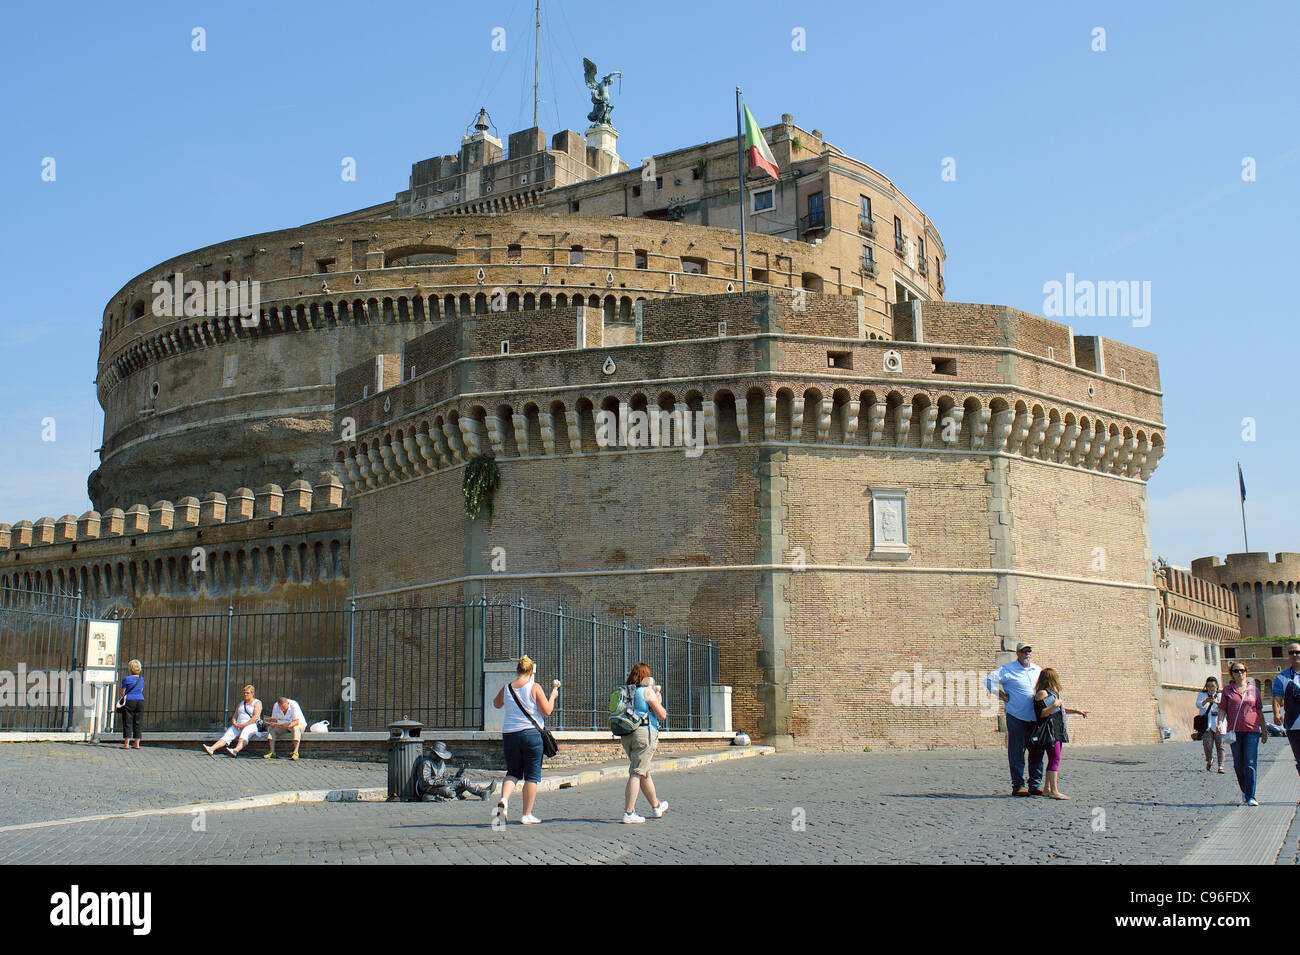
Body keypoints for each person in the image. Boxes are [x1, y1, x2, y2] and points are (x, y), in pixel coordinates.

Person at [491, 656, 558, 825]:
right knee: (531, 775)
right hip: (530, 735)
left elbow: (496, 704)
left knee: (512, 771)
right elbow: (547, 711)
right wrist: (553, 696)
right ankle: (526, 814)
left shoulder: (506, 688)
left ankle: (504, 801)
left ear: (517, 670)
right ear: (530, 672)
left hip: (510, 734)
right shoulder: (534, 687)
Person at [984, 641, 1043, 796]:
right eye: (1024, 651)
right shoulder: (1008, 669)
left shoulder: (1038, 670)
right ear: (1017, 653)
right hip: (1017, 716)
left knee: (1037, 751)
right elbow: (989, 680)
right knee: (1017, 752)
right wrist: (1001, 694)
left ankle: (1035, 784)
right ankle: (1018, 785)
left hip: (1036, 717)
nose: (1027, 654)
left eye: (1029, 651)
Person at [620, 662, 669, 823]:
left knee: (644, 771)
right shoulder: (647, 691)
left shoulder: (627, 692)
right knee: (636, 772)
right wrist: (658, 701)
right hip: (644, 734)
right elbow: (661, 714)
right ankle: (629, 812)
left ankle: (656, 806)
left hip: (627, 734)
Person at [1029, 668, 1088, 799]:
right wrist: (1054, 704)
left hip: (1058, 729)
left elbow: (1059, 709)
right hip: (1050, 731)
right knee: (1055, 759)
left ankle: (1046, 789)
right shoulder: (1042, 693)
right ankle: (1054, 791)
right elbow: (1042, 713)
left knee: (1053, 759)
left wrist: (1077, 711)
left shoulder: (1053, 693)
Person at [1218, 664, 1266, 806]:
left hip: (1252, 731)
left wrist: (1264, 731)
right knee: (1238, 764)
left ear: (1246, 672)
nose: (1239, 673)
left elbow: (1259, 711)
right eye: (1236, 671)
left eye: (1242, 671)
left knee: (1250, 762)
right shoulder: (1227, 690)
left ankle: (1251, 796)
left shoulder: (1254, 690)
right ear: (1231, 674)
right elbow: (1222, 709)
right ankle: (1245, 791)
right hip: (1234, 732)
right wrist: (1220, 723)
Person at [416, 740, 495, 801]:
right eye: (440, 756)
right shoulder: (426, 763)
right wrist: (441, 782)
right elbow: (426, 781)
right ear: (434, 754)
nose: (441, 758)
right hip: (431, 788)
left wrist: (458, 774)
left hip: (443, 785)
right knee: (448, 791)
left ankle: (482, 792)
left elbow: (447, 777)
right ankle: (456, 795)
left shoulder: (441, 763)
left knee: (464, 781)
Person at [203, 685, 262, 757]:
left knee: (244, 736)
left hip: (250, 725)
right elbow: (235, 715)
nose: (245, 695)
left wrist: (244, 725)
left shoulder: (257, 703)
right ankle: (212, 749)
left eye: (247, 693)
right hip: (238, 725)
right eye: (244, 693)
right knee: (227, 735)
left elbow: (256, 717)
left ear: (252, 694)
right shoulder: (241, 703)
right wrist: (234, 723)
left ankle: (235, 750)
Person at [1271, 642, 1300, 777]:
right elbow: (1277, 697)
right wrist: (1277, 713)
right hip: (1293, 725)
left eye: (1297, 652)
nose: (1295, 655)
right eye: (1291, 652)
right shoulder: (1282, 677)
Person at [263, 696, 307, 760]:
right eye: (281, 708)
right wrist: (272, 724)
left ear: (288, 703)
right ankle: (272, 751)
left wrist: (287, 726)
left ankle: (295, 752)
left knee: (295, 728)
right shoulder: (276, 705)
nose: (283, 710)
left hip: (297, 724)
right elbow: (273, 719)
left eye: (284, 708)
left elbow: (296, 722)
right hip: (283, 724)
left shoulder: (294, 705)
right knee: (271, 729)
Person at [1196, 676, 1224, 774]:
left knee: (1220, 745)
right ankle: (1209, 759)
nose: (1211, 688)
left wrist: (1217, 702)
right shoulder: (1202, 694)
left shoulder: (1220, 695)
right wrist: (1206, 701)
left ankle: (1220, 766)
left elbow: (1224, 707)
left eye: (1213, 686)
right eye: (1209, 686)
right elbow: (1198, 705)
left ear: (1216, 687)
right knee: (1207, 745)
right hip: (1207, 724)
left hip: (1218, 723)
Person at [118, 659, 145, 750]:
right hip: (140, 700)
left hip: (129, 701)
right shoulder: (141, 679)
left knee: (127, 721)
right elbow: (141, 690)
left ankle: (126, 743)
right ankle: (137, 743)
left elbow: (123, 692)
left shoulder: (126, 679)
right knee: (138, 722)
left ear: (130, 668)